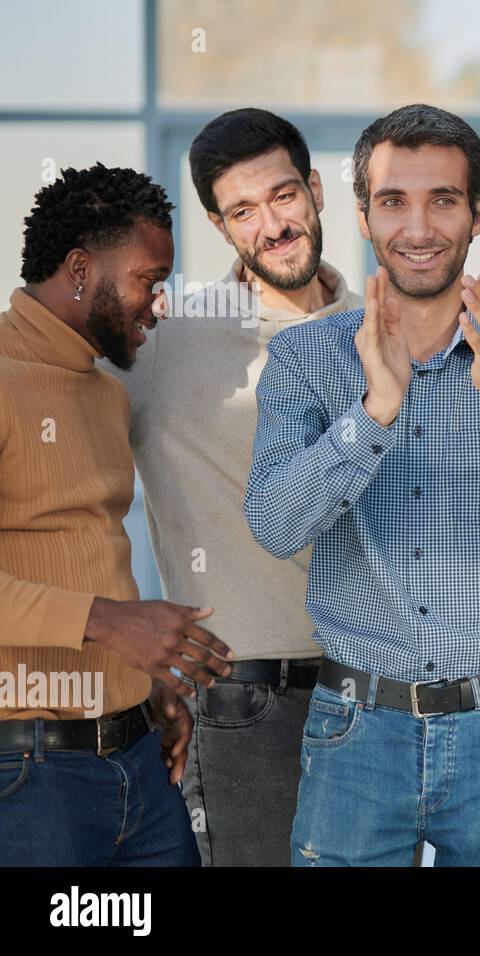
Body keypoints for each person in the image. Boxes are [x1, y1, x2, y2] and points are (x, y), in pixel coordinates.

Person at [245, 104, 480, 866]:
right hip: (354, 731)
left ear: (478, 212)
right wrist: (374, 410)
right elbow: (276, 525)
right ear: (361, 214)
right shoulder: (306, 360)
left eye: (443, 199)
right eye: (393, 201)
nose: (418, 227)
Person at [105, 109, 363, 866]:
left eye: (284, 197)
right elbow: (60, 464)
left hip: (382, 701)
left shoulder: (383, 329)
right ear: (221, 227)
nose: (273, 226)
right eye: (243, 211)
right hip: (239, 707)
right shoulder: (165, 343)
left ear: (315, 190)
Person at [0, 164, 233, 866]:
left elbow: (84, 552)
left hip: (140, 760)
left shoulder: (106, 393)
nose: (156, 304)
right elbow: (94, 605)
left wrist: (148, 685)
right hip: (30, 778)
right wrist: (109, 621)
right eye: (147, 279)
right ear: (79, 269)